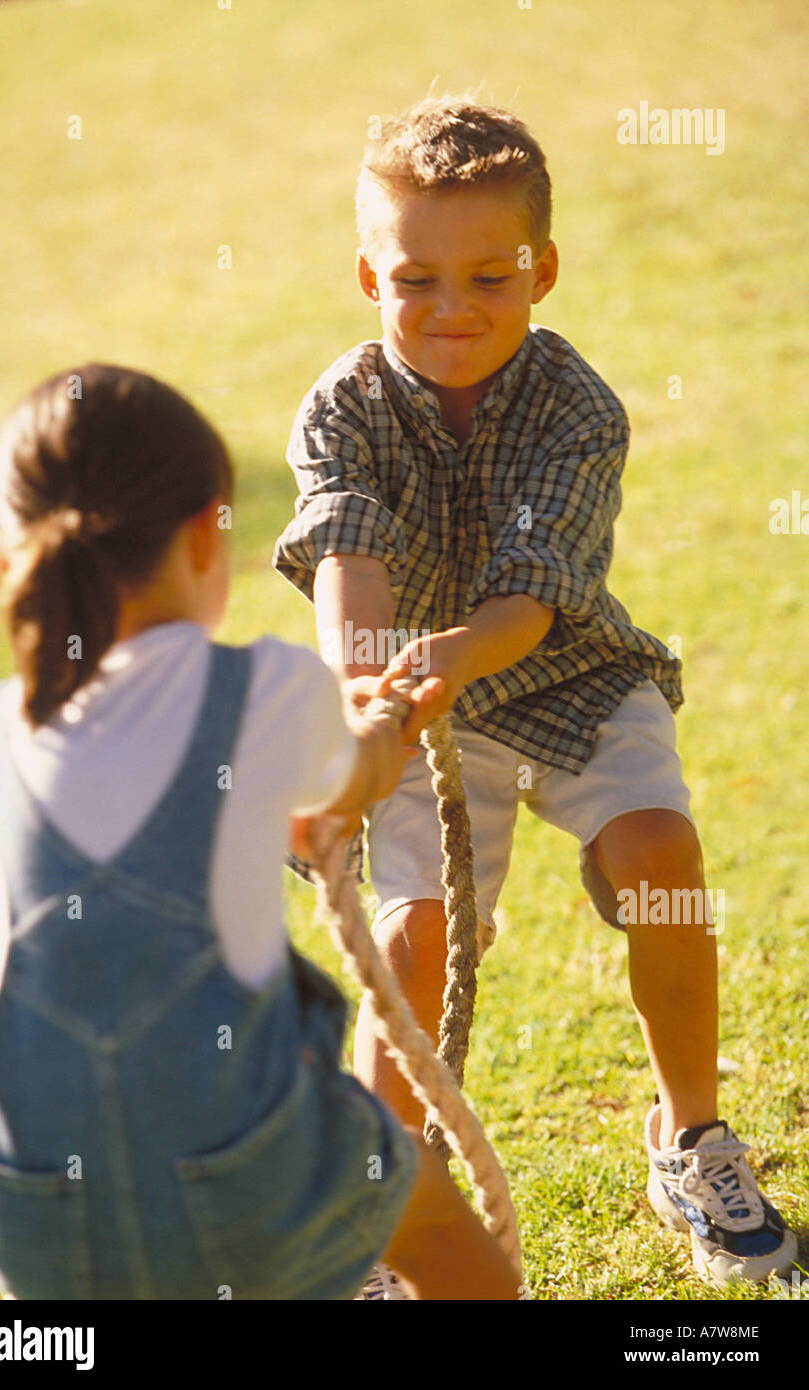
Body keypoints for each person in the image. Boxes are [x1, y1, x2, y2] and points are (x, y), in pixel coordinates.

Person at [272, 96, 797, 1288]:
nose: (451, 308)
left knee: (660, 854)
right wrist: (365, 691)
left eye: (488, 277)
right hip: (406, 697)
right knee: (410, 938)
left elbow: (534, 597)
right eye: (415, 279)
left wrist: (451, 654)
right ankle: (380, 1194)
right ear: (368, 275)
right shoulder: (339, 408)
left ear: (541, 269)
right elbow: (345, 555)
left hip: (564, 675)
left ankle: (688, 1136)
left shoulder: (577, 410)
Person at [0, 363, 519, 1300]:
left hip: (26, 1208)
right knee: (426, 1207)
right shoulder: (267, 693)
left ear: (6, 558)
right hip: (241, 1186)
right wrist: (382, 718)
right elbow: (358, 782)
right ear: (208, 534)